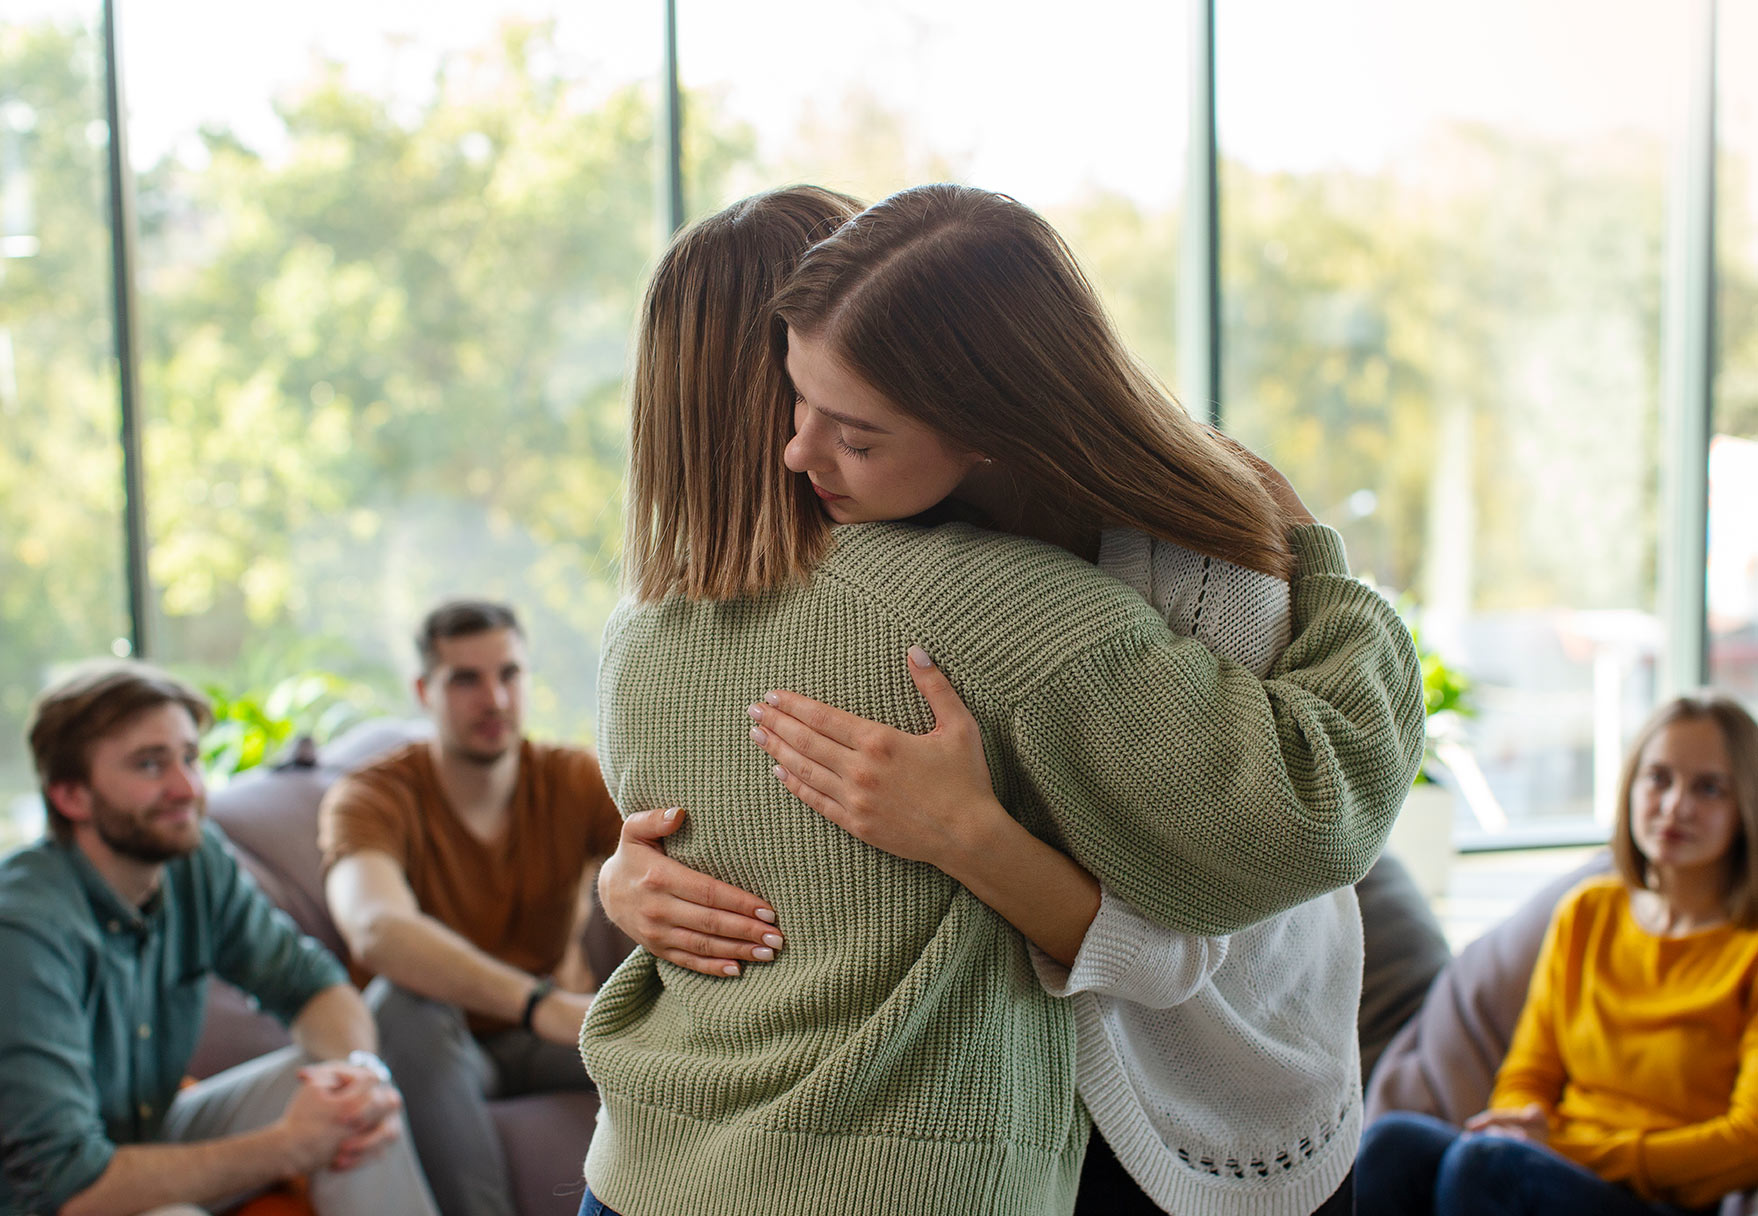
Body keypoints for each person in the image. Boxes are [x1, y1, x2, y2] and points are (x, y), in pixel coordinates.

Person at [577, 185, 1425, 1216]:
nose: (805, 447)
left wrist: (974, 840)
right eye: (804, 398)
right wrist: (625, 883)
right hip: (1010, 1128)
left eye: (851, 420)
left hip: (1204, 1105)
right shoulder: (792, 603)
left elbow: (1221, 912)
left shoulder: (1128, 575)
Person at [0, 660, 438, 1216]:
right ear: (71, 797)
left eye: (188, 757)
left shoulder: (194, 860)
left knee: (347, 1099)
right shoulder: (23, 930)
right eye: (150, 765)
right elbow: (69, 1185)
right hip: (52, 1193)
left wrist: (362, 1078)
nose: (187, 787)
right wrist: (289, 1146)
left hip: (149, 1130)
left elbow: (312, 985)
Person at [1356, 692, 1758, 1216]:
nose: (1675, 806)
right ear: (1631, 788)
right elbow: (1529, 1070)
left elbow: (1746, 1141)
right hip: (1553, 1166)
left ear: (1745, 806)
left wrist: (1566, 1152)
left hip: (1660, 1197)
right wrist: (1518, 1124)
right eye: (1659, 778)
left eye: (1708, 788)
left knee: (1484, 1168)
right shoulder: (1588, 913)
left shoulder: (1748, 949)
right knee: (1393, 1141)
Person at [319, 600, 622, 1216]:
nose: (495, 699)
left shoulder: (571, 779)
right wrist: (537, 1004)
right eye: (466, 679)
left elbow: (682, 862)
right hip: (440, 1043)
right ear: (423, 689)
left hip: (554, 1038)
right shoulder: (370, 797)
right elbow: (375, 928)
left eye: (509, 674)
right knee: (399, 1003)